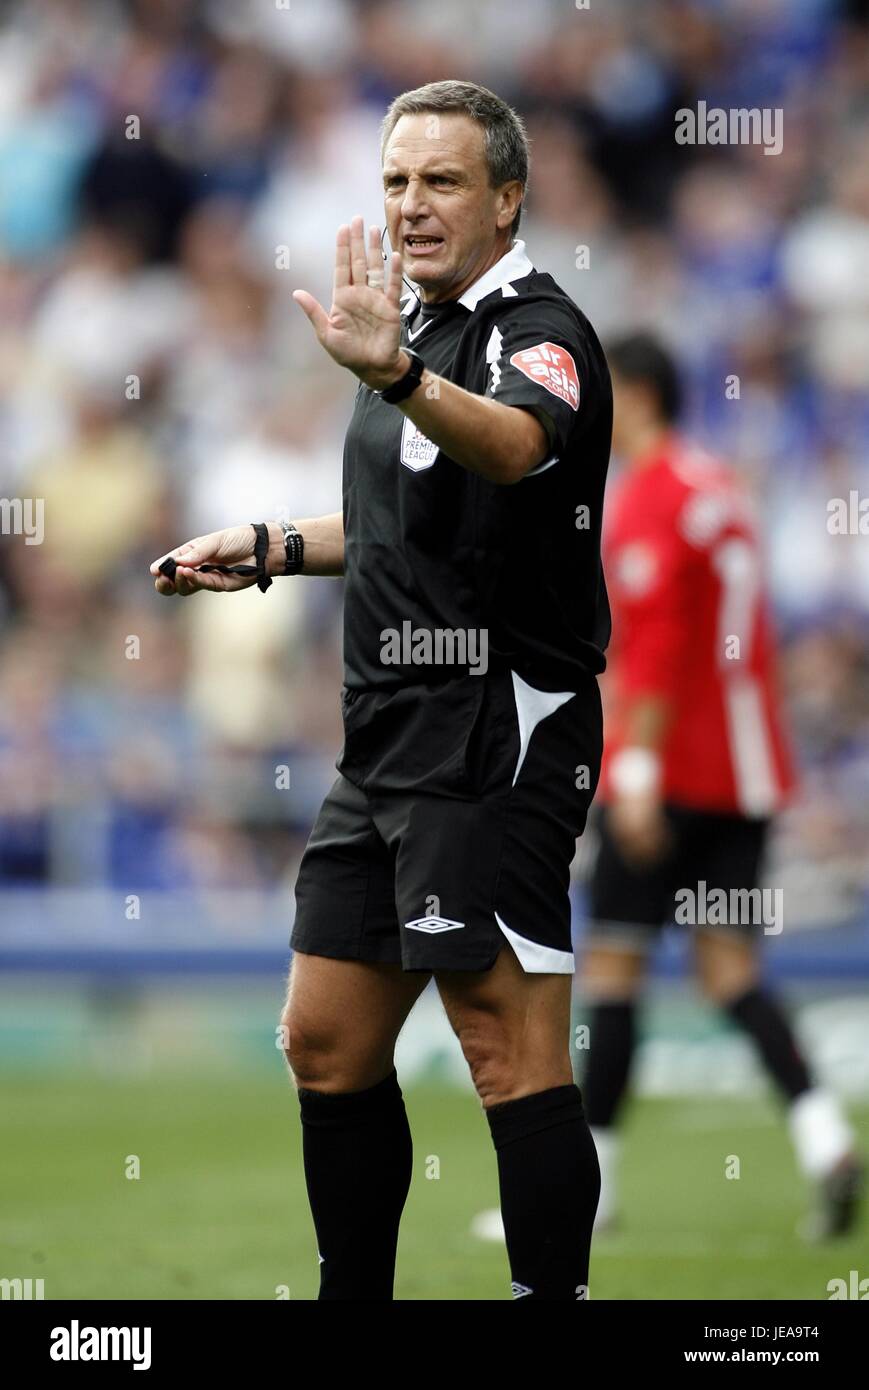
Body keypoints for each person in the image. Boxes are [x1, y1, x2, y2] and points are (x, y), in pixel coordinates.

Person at [152, 80, 613, 1300]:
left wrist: (398, 372)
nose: (410, 203)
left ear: (506, 198)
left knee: (503, 1049)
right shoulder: (408, 330)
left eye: (441, 180)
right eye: (396, 180)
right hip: (386, 737)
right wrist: (266, 545)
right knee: (323, 1041)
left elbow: (513, 447)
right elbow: (396, 522)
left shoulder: (538, 329)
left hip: (496, 731)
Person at [578, 332, 863, 1241]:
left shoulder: (651, 496)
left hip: (670, 769)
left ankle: (590, 1193)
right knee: (730, 972)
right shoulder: (721, 488)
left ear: (636, 394)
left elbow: (657, 649)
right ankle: (823, 1138)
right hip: (746, 774)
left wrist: (633, 771)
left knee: (612, 969)